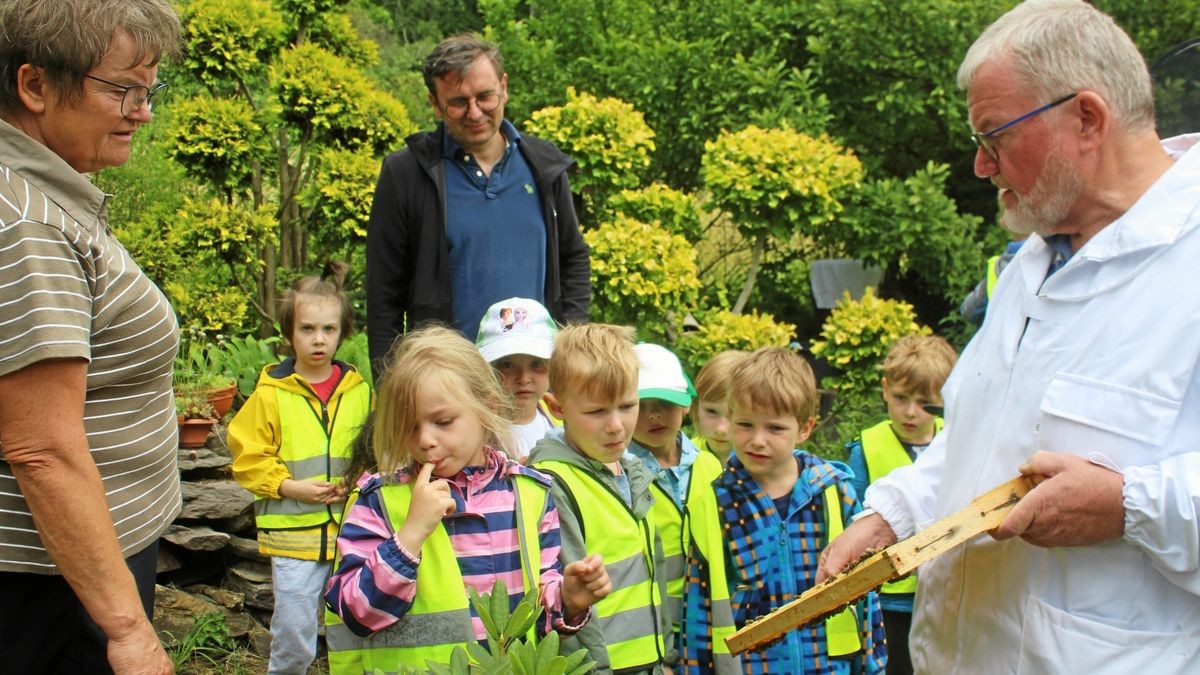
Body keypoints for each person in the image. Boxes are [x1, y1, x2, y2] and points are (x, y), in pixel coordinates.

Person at [818, 1, 1200, 672]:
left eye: (995, 136)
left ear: (1086, 118)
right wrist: (894, 514)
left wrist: (1127, 505)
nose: (980, 166)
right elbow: (979, 442)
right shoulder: (1031, 262)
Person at [0, 2, 181, 672]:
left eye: (148, 90)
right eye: (122, 90)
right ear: (35, 86)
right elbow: (40, 447)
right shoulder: (27, 223)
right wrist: (127, 628)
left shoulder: (47, 191)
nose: (143, 110)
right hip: (59, 590)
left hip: (78, 572)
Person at [324, 325, 610, 672]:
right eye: (409, 426)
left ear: (485, 406)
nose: (426, 439)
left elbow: (536, 621)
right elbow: (356, 613)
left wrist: (568, 600)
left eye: (443, 421)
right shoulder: (379, 500)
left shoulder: (530, 494)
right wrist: (410, 535)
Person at [365, 33, 591, 376]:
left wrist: (571, 353)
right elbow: (384, 293)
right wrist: (388, 384)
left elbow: (573, 259)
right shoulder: (406, 173)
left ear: (504, 86)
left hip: (533, 381)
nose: (474, 113)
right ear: (434, 103)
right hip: (448, 380)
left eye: (485, 96)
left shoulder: (543, 166)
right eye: (457, 102)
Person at [681, 347, 887, 674]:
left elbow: (864, 592)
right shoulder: (716, 503)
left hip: (828, 665)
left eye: (775, 428)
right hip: (751, 666)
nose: (758, 440)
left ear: (805, 428)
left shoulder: (834, 492)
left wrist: (873, 667)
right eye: (745, 424)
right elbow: (699, 603)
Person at [227, 263, 372, 675]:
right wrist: (291, 487)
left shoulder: (360, 393)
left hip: (352, 535)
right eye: (307, 329)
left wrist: (357, 481)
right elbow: (247, 457)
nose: (319, 339)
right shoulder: (271, 394)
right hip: (294, 539)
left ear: (343, 332)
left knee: (352, 629)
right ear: (289, 333)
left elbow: (373, 453)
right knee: (293, 632)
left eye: (328, 329)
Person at [527, 324, 675, 674]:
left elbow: (653, 571)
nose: (616, 425)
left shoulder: (631, 468)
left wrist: (666, 656)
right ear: (556, 407)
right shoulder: (553, 482)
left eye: (627, 405)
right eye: (596, 412)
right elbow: (569, 599)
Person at [843, 334, 956, 675]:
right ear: (885, 389)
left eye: (924, 402)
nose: (910, 411)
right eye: (901, 397)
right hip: (889, 598)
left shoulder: (955, 438)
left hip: (942, 591)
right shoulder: (866, 447)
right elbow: (854, 517)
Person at [626, 343, 724, 645]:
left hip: (706, 624)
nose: (654, 415)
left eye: (665, 403)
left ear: (685, 405)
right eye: (642, 405)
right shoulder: (620, 474)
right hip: (649, 633)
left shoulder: (709, 465)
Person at [476, 297, 560, 458]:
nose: (523, 378)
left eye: (536, 364)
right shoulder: (476, 432)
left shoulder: (564, 421)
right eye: (507, 365)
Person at [689, 350, 748, 465]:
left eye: (734, 415)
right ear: (696, 406)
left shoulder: (773, 464)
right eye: (711, 411)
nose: (721, 429)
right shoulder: (681, 460)